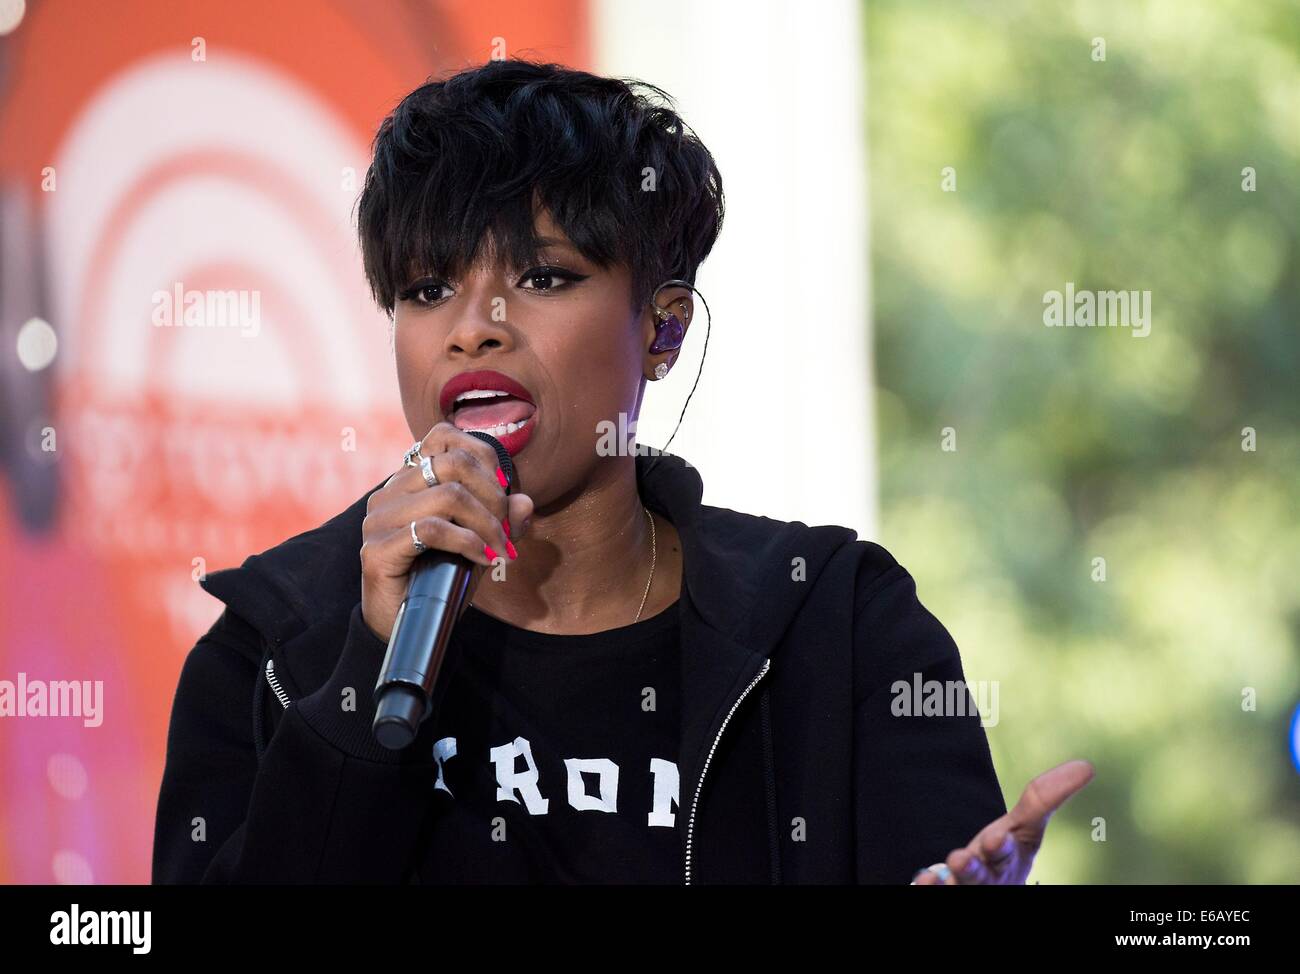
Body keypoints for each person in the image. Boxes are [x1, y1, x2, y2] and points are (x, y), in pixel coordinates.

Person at [151, 57, 1092, 885]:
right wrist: (360, 680)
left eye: (543, 277)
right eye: (428, 288)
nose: (473, 326)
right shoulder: (271, 649)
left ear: (663, 328)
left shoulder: (837, 626)